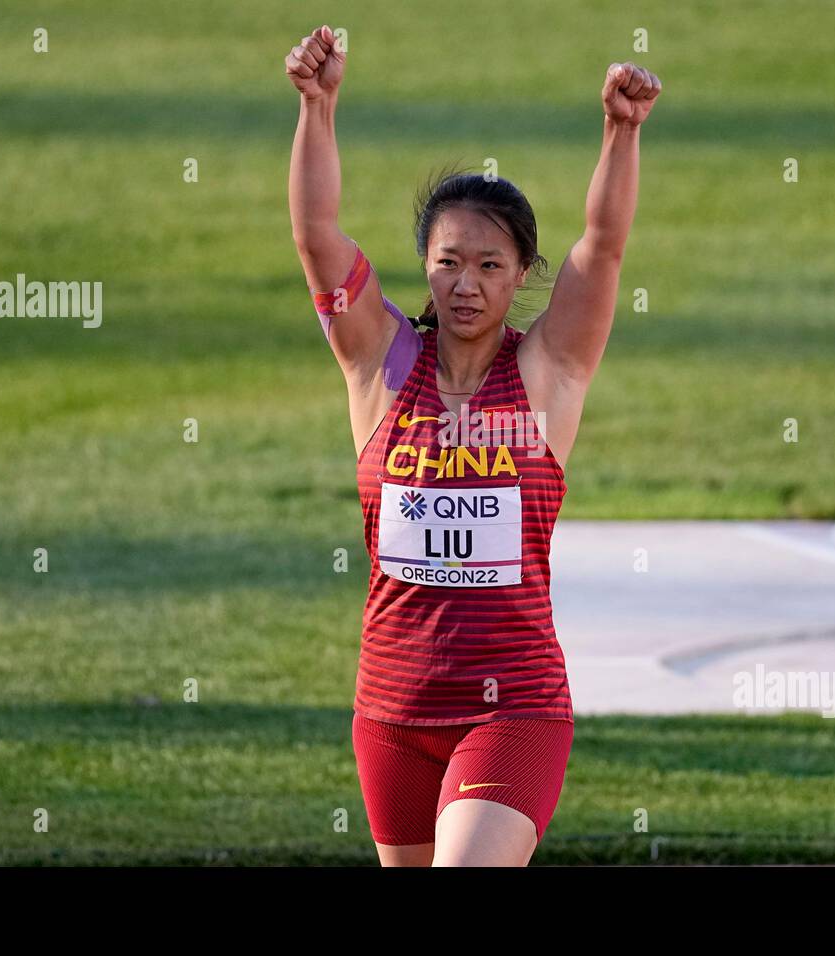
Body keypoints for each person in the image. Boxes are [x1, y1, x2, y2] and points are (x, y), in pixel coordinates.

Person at [286, 23, 660, 866]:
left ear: (523, 272)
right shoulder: (377, 363)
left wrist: (620, 131)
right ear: (425, 261)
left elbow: (601, 249)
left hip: (514, 707)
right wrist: (319, 104)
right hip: (390, 709)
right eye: (450, 262)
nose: (466, 285)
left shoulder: (550, 371)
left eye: (491, 266)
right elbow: (316, 233)